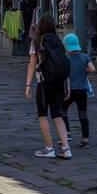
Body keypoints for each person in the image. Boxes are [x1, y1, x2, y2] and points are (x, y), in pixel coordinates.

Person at [25, 16, 70, 158]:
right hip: (59, 82)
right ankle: (66, 148)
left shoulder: (37, 42)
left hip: (44, 83)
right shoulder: (59, 41)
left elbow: (32, 63)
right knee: (57, 115)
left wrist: (28, 84)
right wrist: (67, 85)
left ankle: (49, 148)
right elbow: (64, 63)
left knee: (43, 115)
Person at [61, 33, 96, 148]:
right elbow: (92, 69)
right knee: (83, 115)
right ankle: (85, 140)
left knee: (62, 110)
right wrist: (85, 71)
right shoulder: (85, 57)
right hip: (82, 90)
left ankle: (67, 133)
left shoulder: (66, 59)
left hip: (70, 91)